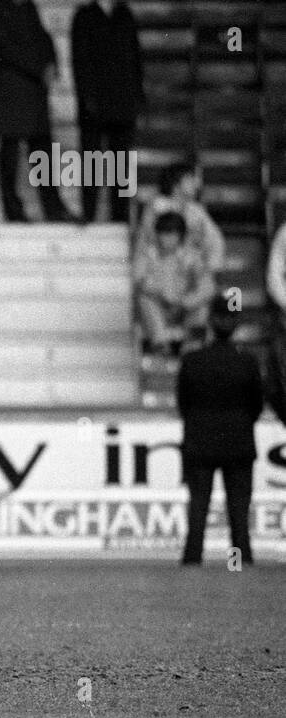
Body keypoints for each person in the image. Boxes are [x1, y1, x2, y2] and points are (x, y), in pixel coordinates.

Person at [0, 0, 72, 223]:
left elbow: (44, 38)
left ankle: (53, 208)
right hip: (10, 95)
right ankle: (13, 210)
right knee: (9, 156)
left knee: (42, 154)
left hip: (32, 96)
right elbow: (7, 50)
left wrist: (53, 63)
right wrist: (39, 68)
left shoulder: (29, 7)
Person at [177, 296, 261, 566]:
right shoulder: (246, 361)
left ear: (210, 321)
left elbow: (183, 403)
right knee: (238, 512)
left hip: (201, 443)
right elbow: (256, 405)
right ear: (235, 323)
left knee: (198, 507)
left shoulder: (193, 360)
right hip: (238, 443)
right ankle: (237, 561)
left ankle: (193, 560)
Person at [71, 0, 144, 224]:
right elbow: (79, 61)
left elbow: (136, 59)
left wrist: (137, 96)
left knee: (120, 165)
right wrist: (87, 97)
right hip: (95, 104)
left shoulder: (126, 16)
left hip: (123, 104)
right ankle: (88, 214)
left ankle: (119, 217)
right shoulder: (84, 16)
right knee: (91, 161)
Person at [133, 211, 214, 355]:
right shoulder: (148, 254)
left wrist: (187, 302)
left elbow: (207, 287)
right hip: (159, 309)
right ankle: (161, 344)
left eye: (171, 234)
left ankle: (191, 348)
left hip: (183, 309)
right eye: (163, 233)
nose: (165, 239)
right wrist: (162, 294)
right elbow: (139, 279)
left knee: (202, 306)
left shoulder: (191, 256)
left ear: (180, 235)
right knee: (144, 299)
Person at [136, 163, 225, 273]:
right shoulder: (156, 206)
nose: (195, 185)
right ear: (176, 183)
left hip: (190, 272)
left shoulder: (196, 210)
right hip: (159, 271)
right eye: (189, 180)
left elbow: (215, 241)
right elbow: (148, 243)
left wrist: (211, 269)